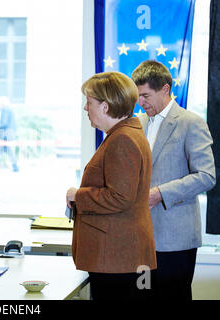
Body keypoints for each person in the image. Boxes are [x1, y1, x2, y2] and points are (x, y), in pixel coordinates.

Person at [66, 71, 156, 300]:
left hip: (118, 258)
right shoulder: (126, 134)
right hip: (122, 256)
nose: (86, 108)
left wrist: (78, 196)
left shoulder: (123, 139)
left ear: (105, 107)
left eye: (89, 102)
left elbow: (119, 197)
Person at [131, 60, 216, 300]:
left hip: (176, 240)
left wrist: (160, 193)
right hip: (141, 239)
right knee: (142, 294)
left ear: (166, 89)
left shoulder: (191, 122)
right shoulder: (139, 124)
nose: (140, 102)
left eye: (145, 95)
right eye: (138, 96)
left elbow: (207, 176)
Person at [0, 96, 19, 172]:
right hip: (11, 132)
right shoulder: (10, 109)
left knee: (0, 149)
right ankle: (14, 166)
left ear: (2, 103)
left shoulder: (5, 110)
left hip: (6, 133)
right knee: (8, 149)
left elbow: (4, 123)